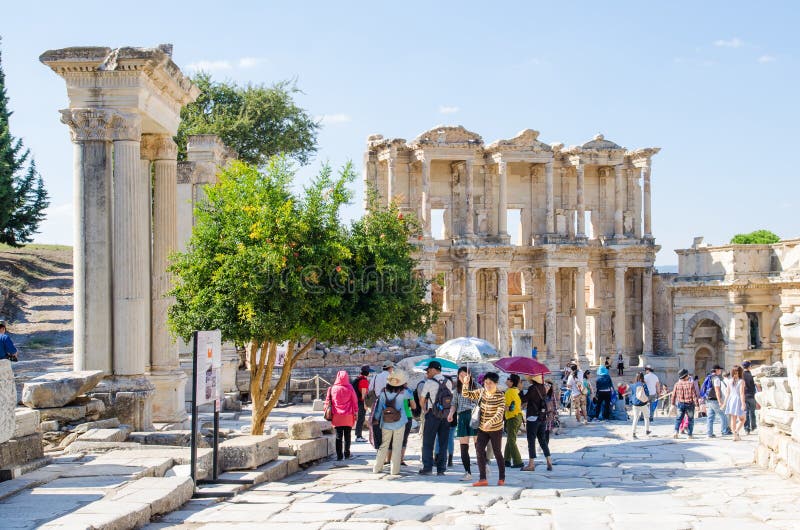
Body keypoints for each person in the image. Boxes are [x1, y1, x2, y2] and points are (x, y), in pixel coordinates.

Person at [458, 370, 506, 486]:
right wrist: (465, 383)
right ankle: (482, 478)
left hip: (495, 429)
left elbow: (500, 412)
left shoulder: (500, 395)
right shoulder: (481, 392)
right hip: (482, 429)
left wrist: (491, 421)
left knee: (497, 452)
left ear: (496, 383)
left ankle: (501, 478)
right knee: (479, 451)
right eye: (486, 383)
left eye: (490, 383)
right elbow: (466, 394)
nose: (487, 385)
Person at [373, 370, 414, 475]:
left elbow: (378, 409)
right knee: (397, 446)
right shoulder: (404, 393)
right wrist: (405, 386)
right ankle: (394, 470)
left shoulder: (383, 392)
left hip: (386, 422)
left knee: (384, 445)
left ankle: (377, 468)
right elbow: (411, 395)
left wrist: (376, 418)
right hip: (400, 421)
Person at [419, 360, 453, 476]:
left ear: (434, 370)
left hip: (432, 414)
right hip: (445, 415)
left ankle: (427, 468)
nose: (427, 372)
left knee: (428, 442)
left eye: (428, 370)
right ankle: (441, 469)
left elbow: (422, 399)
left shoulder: (429, 382)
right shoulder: (448, 382)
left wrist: (424, 410)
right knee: (443, 442)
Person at [449, 366, 478, 481]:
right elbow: (454, 404)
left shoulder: (476, 387)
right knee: (463, 446)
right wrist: (451, 413)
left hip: (474, 415)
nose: (462, 378)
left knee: (478, 445)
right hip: (462, 417)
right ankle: (468, 472)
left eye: (464, 375)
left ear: (469, 376)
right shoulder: (457, 390)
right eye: (460, 376)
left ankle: (483, 467)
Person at [520, 374, 553, 472]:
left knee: (531, 441)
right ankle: (549, 461)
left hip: (532, 417)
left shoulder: (532, 388)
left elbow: (523, 400)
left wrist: (520, 390)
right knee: (542, 440)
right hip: (542, 417)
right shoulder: (543, 387)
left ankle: (531, 464)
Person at [327, 370, 359, 462]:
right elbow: (354, 401)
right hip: (348, 415)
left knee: (338, 436)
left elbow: (327, 401)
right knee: (348, 435)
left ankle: (339, 456)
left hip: (337, 415)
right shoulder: (350, 388)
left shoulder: (333, 388)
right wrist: (356, 411)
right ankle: (347, 453)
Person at [671, 368, 699, 439]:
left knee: (678, 418)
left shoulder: (677, 384)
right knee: (690, 419)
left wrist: (672, 404)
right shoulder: (691, 384)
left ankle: (676, 432)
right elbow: (694, 395)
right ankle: (689, 435)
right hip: (689, 404)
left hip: (680, 404)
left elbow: (673, 395)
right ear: (686, 376)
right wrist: (697, 405)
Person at [503, 374, 524, 469]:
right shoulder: (517, 391)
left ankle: (518, 461)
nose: (506, 380)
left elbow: (510, 408)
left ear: (511, 382)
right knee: (510, 439)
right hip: (518, 417)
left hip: (512, 417)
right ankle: (506, 460)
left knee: (511, 440)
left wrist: (500, 406)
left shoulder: (509, 392)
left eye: (508, 379)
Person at [723, 365, 747, 441]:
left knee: (733, 419)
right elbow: (741, 393)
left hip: (731, 400)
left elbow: (727, 393)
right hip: (738, 400)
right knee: (743, 419)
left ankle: (735, 436)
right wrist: (743, 403)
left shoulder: (729, 381)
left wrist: (724, 403)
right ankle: (736, 432)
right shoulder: (741, 381)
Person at [704, 365, 725, 438]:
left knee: (710, 417)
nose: (721, 371)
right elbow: (717, 390)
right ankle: (725, 431)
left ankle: (709, 433)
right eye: (720, 370)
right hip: (714, 400)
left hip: (708, 399)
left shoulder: (709, 377)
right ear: (716, 370)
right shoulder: (716, 379)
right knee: (723, 415)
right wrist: (720, 401)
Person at [353, 365, 372, 443]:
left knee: (360, 419)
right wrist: (365, 404)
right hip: (361, 402)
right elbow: (364, 394)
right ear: (366, 372)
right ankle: (358, 436)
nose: (370, 373)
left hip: (357, 401)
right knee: (361, 419)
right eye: (369, 372)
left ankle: (358, 435)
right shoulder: (363, 381)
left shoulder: (358, 378)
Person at [630, 372, 651, 439]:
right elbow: (647, 393)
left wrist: (631, 402)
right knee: (646, 417)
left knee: (635, 418)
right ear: (642, 377)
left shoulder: (633, 385)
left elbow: (632, 394)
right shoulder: (643, 384)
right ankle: (647, 430)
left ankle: (633, 433)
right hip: (643, 404)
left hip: (635, 404)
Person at [742, 360, 759, 434]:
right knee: (752, 412)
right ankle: (753, 427)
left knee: (746, 413)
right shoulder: (753, 375)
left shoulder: (741, 375)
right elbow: (757, 386)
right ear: (749, 366)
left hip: (744, 396)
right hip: (752, 395)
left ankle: (746, 429)